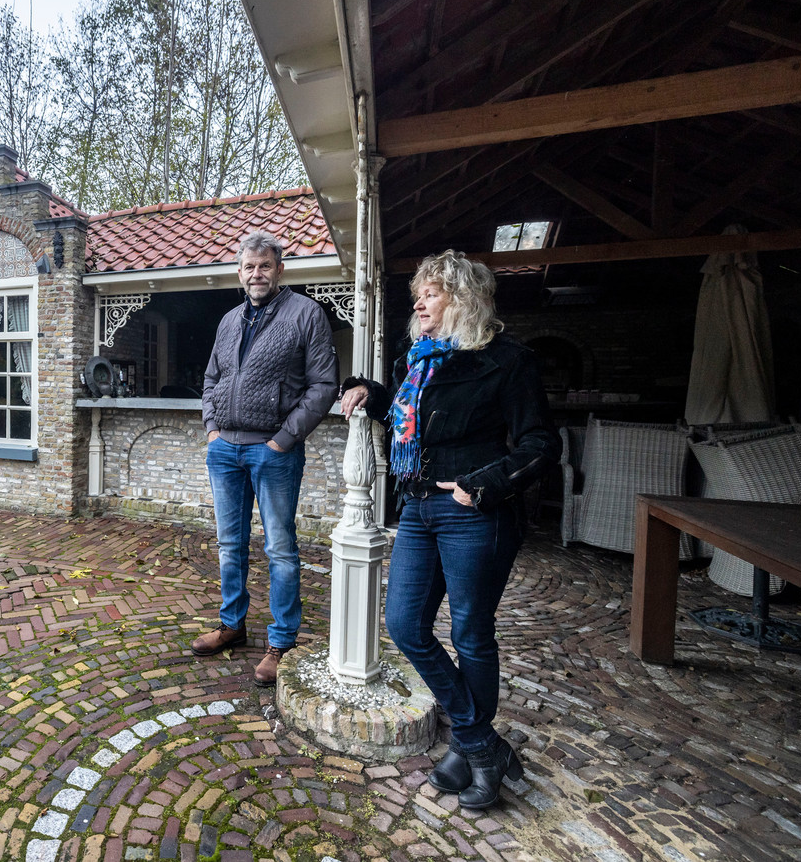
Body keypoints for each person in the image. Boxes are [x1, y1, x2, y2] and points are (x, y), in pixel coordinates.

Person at [340, 249, 559, 810]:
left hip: (473, 513)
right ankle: (482, 743)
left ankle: (469, 748)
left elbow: (540, 445)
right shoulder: (418, 362)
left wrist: (481, 484)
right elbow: (412, 419)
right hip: (416, 508)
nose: (419, 301)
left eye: (432, 292)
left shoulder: (507, 360)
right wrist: (372, 391)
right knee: (405, 623)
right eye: (420, 291)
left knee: (471, 634)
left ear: (463, 300)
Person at [192, 230, 338, 687]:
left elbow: (323, 385)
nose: (257, 274)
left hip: (272, 452)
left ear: (280, 269)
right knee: (229, 544)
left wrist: (283, 439)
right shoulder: (229, 320)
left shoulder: (305, 314)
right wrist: (213, 431)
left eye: (265, 266)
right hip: (225, 451)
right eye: (249, 267)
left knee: (279, 549)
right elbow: (212, 378)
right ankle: (232, 625)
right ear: (240, 272)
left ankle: (281, 641)